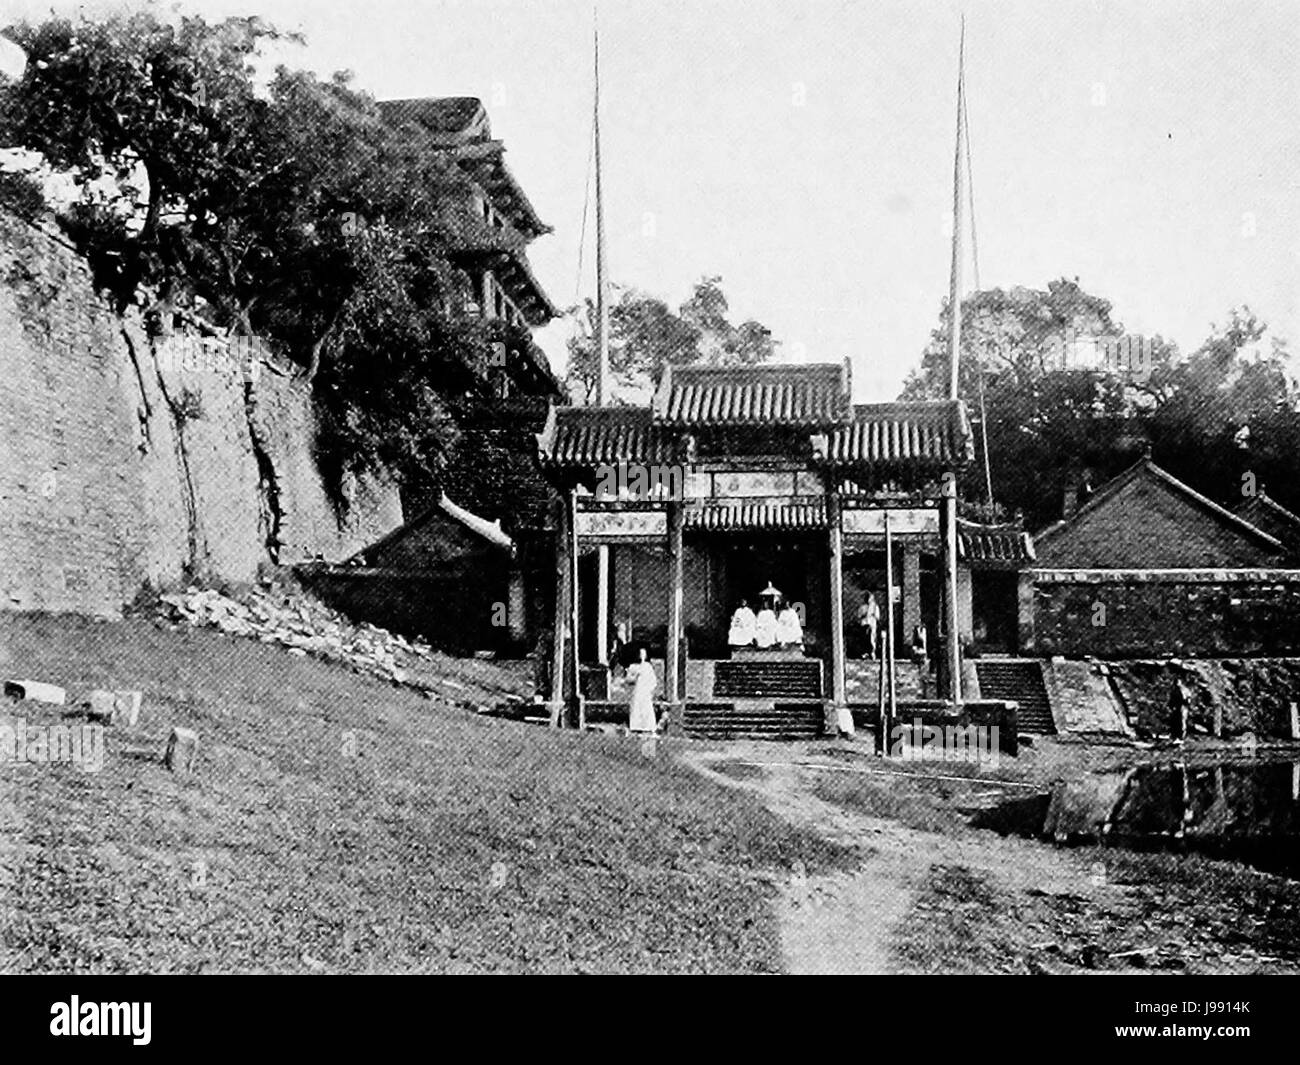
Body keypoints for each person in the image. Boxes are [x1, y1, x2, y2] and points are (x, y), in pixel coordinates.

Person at [625, 646, 658, 734]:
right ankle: (636, 725)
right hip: (637, 691)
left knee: (646, 707)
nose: (642, 656)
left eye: (644, 654)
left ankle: (648, 726)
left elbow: (653, 680)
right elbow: (628, 680)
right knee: (636, 706)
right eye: (640, 654)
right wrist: (635, 677)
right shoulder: (633, 666)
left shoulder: (648, 667)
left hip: (646, 691)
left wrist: (651, 689)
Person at [858, 592, 881, 659]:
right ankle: (865, 653)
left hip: (872, 624)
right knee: (864, 638)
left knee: (872, 638)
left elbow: (878, 617)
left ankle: (872, 652)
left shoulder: (875, 607)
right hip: (864, 623)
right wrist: (864, 614)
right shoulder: (862, 607)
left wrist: (873, 614)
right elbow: (859, 616)